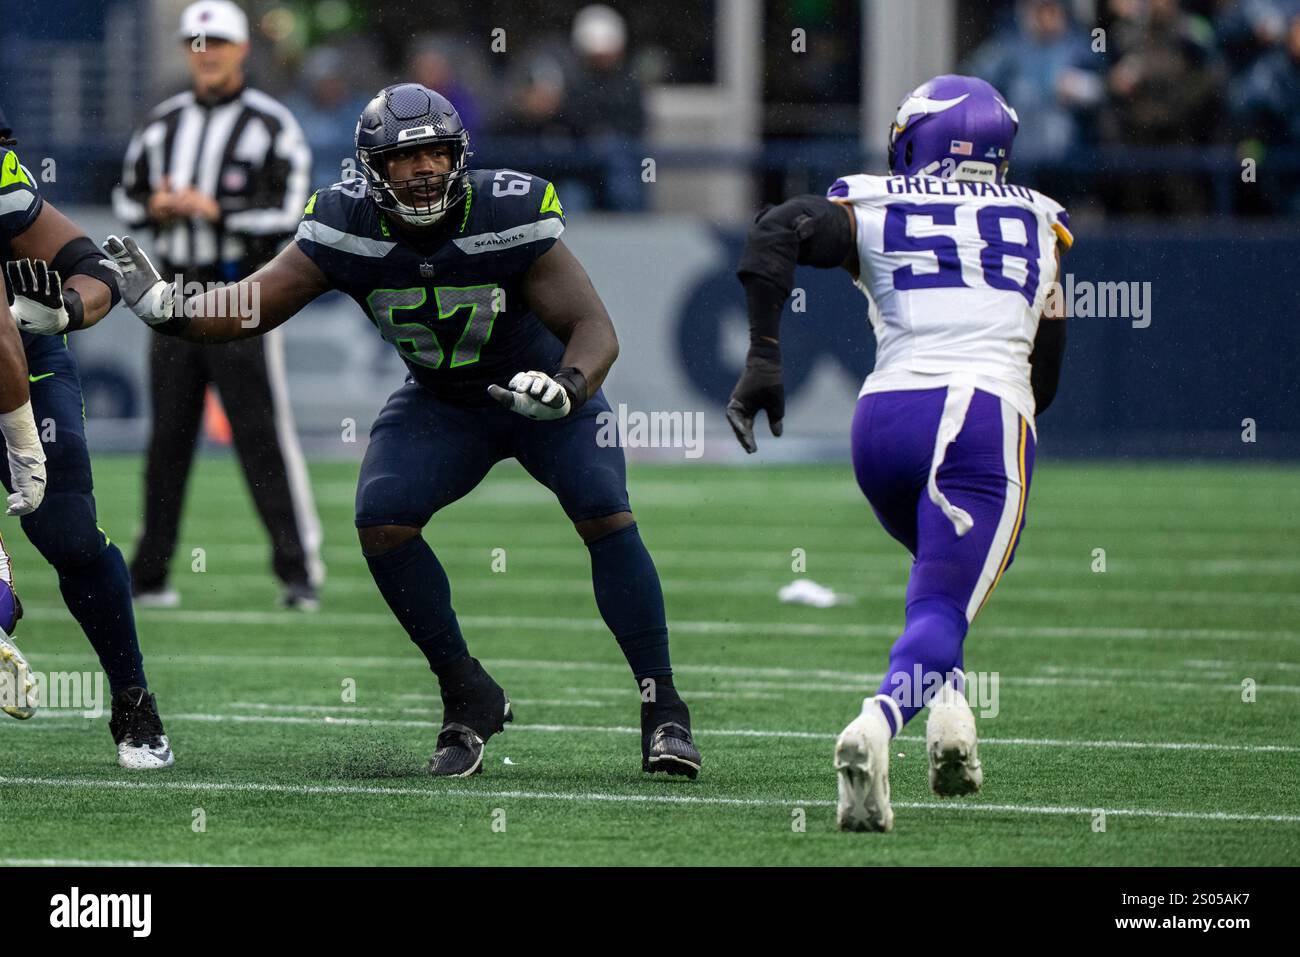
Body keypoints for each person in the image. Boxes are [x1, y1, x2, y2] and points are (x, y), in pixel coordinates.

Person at [101, 82, 702, 781]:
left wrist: (568, 385)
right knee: (382, 518)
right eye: (403, 159)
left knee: (604, 508)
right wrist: (172, 307)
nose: (423, 171)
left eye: (436, 155)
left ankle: (664, 709)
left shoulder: (507, 208)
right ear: (371, 170)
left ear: (459, 156)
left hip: (539, 392)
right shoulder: (343, 223)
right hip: (443, 399)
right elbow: (256, 303)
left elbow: (594, 329)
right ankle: (467, 692)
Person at [725, 75, 1071, 831]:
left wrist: (763, 357)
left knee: (934, 586)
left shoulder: (875, 201)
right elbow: (1045, 376)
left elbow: (775, 230)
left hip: (882, 425)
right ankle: (877, 724)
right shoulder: (1043, 222)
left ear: (917, 139)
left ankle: (951, 717)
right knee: (947, 599)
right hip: (981, 414)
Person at [112, 0, 322, 609]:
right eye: (195, 43)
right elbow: (126, 200)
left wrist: (214, 211)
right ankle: (149, 574)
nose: (205, 54)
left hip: (240, 289)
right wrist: (159, 208)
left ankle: (297, 570)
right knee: (168, 436)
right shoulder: (163, 123)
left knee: (261, 433)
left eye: (217, 43)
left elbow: (291, 212)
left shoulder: (271, 122)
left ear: (241, 49)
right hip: (172, 288)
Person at [0, 113, 173, 766]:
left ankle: (133, 698)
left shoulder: (6, 187)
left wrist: (65, 309)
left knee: (67, 532)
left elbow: (92, 266)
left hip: (25, 358)